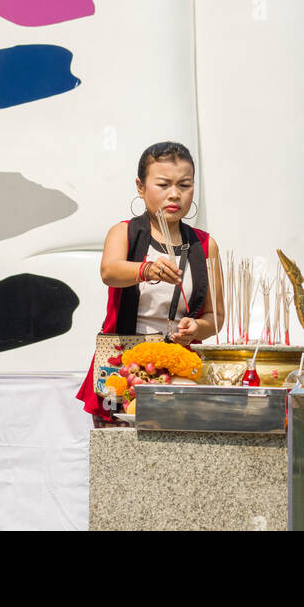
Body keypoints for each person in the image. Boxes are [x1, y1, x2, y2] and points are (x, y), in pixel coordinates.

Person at [76, 140, 223, 423]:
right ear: (141, 187)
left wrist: (196, 328)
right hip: (122, 366)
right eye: (163, 184)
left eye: (184, 185)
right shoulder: (124, 233)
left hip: (177, 369)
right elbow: (110, 271)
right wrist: (147, 270)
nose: (174, 195)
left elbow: (215, 316)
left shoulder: (205, 245)